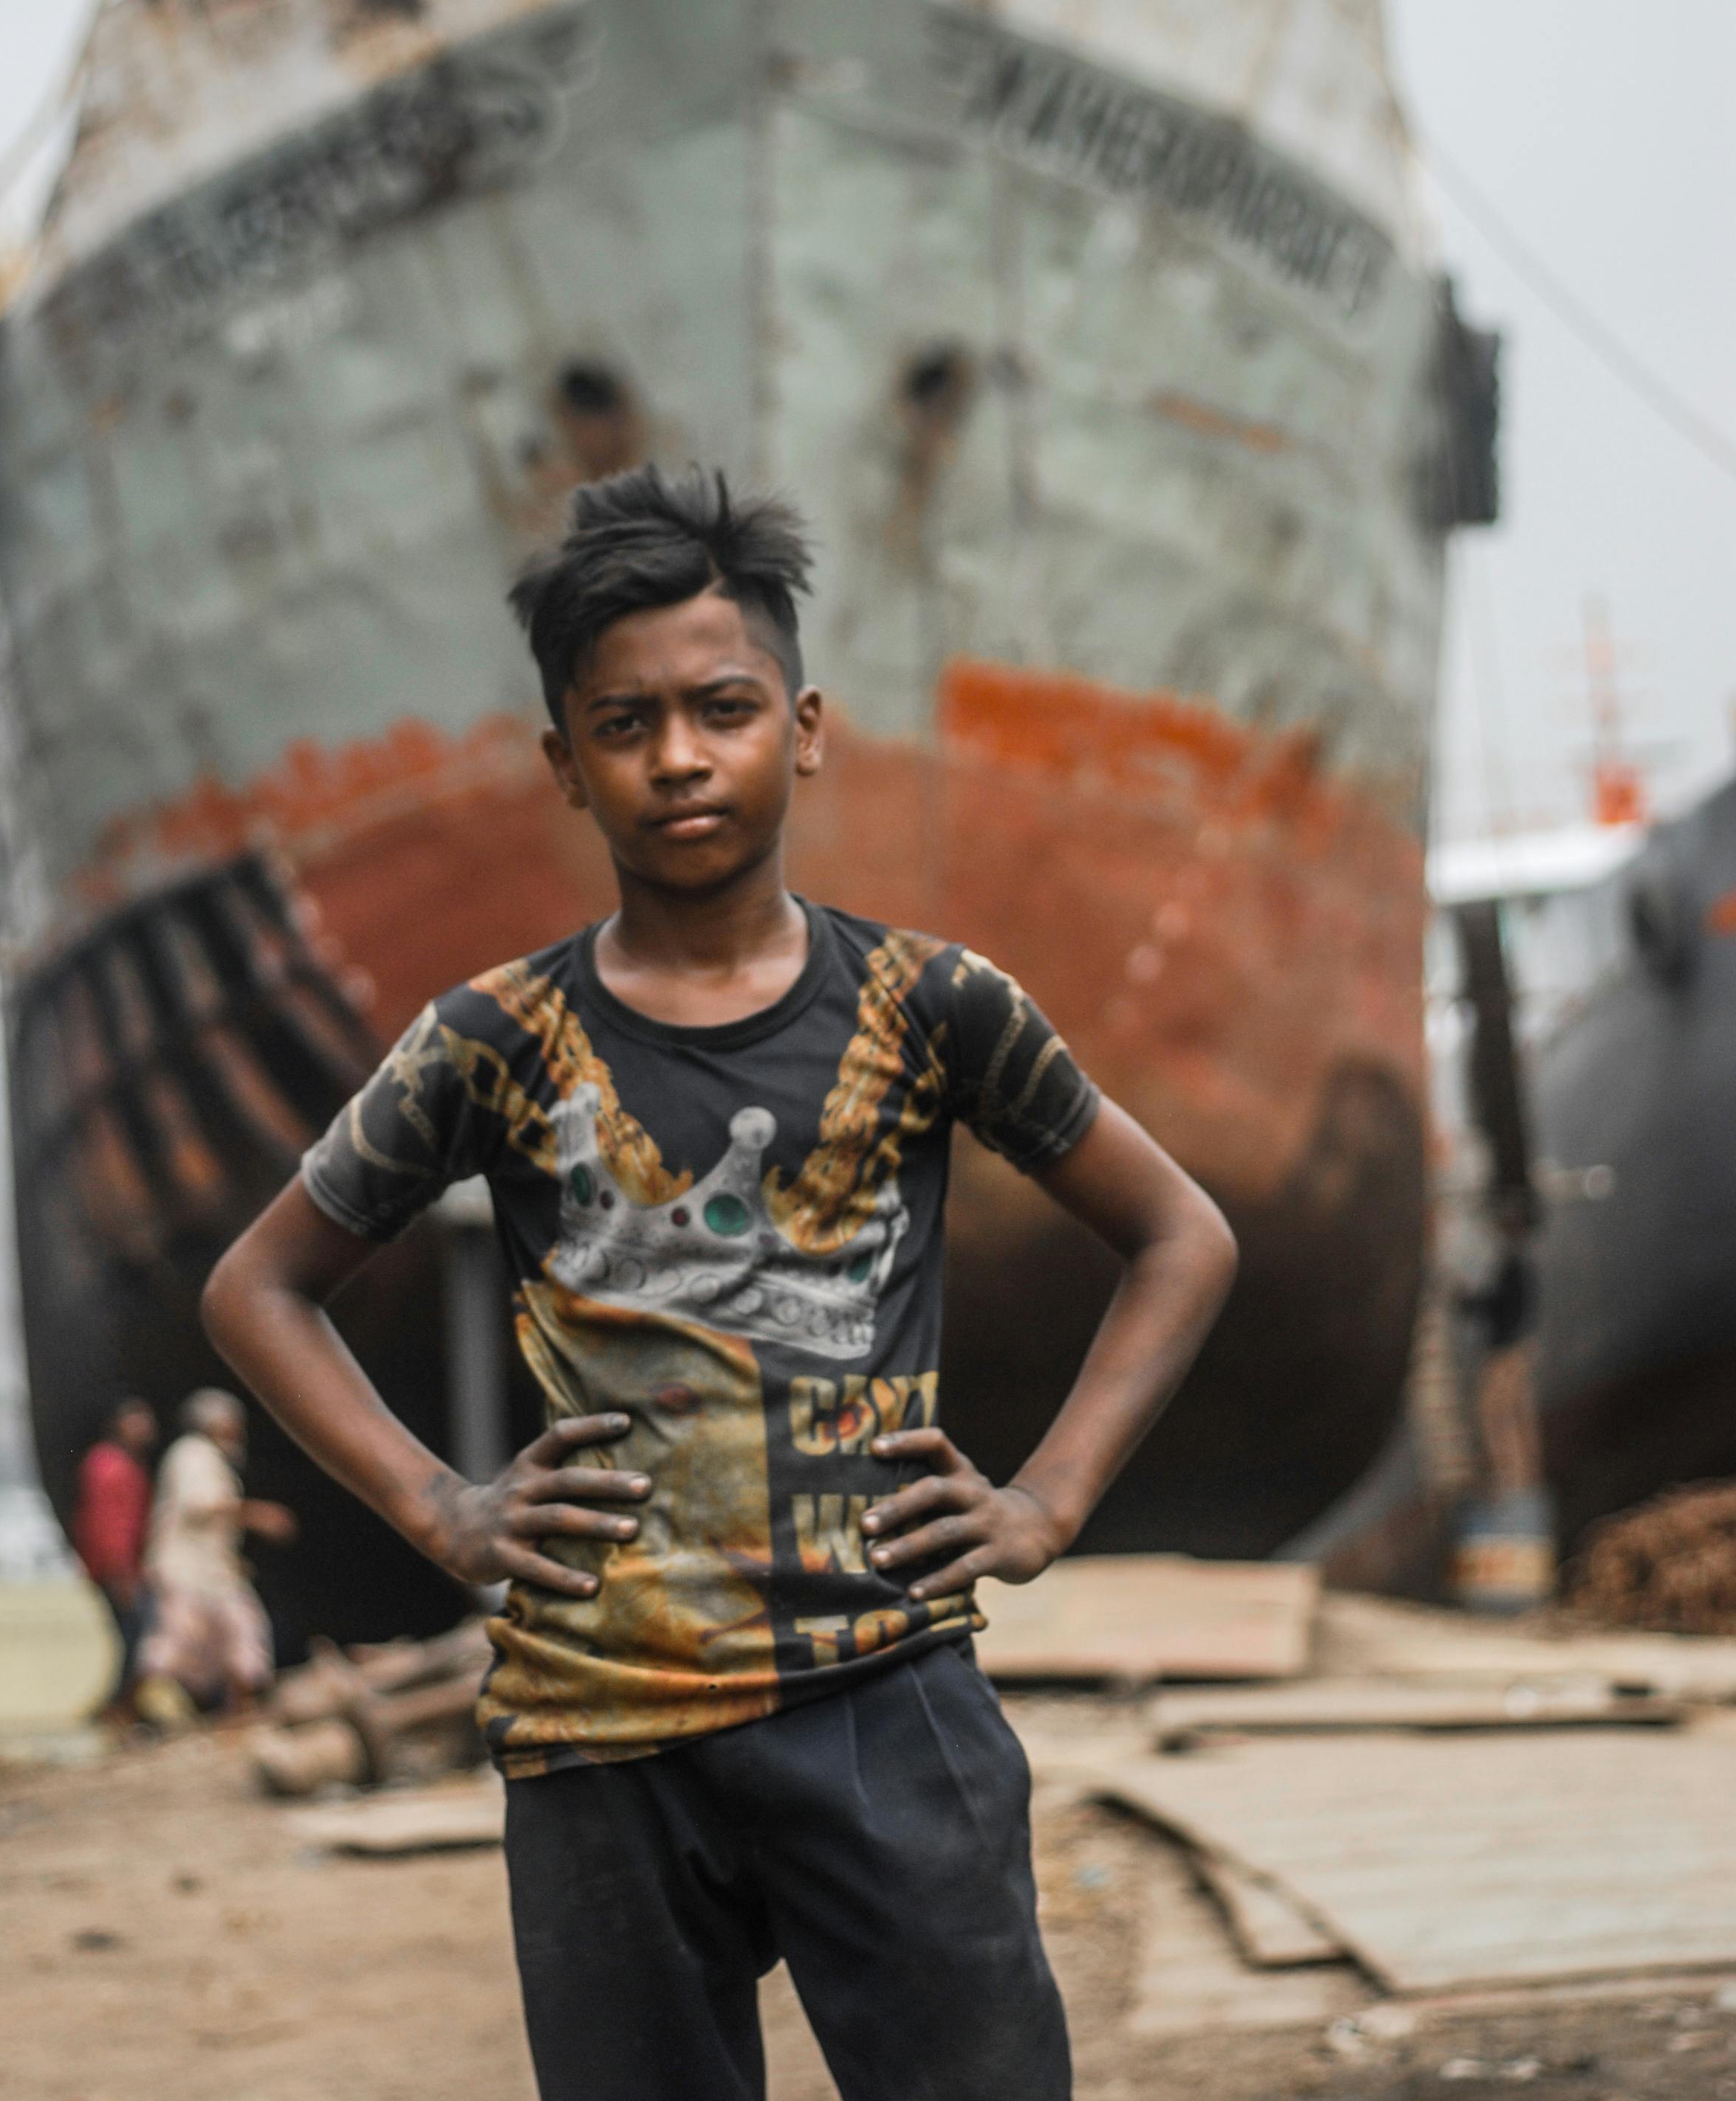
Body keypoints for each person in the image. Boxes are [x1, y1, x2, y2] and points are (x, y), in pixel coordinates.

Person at [203, 464, 1237, 2101]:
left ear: (803, 726)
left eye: (722, 708)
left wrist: (1043, 1503)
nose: (678, 757)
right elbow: (259, 1285)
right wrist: (445, 1510)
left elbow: (1182, 1233)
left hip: (887, 1696)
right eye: (623, 724)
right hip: (601, 1731)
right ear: (565, 763)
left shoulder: (930, 1007)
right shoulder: (490, 1045)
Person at [135, 1389, 295, 1720]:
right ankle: (139, 1713)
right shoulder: (193, 1454)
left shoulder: (211, 1458)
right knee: (175, 1644)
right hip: (187, 1571)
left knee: (241, 1634)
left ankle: (238, 1713)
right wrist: (258, 1515)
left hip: (214, 1571)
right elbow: (201, 1505)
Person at [71, 1395, 157, 1715]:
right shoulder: (109, 1465)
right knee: (137, 1638)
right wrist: (120, 1573)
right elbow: (108, 1525)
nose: (147, 1427)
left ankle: (125, 1706)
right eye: (137, 1419)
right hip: (117, 1571)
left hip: (124, 1568)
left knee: (135, 1638)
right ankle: (120, 1709)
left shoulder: (124, 1463)